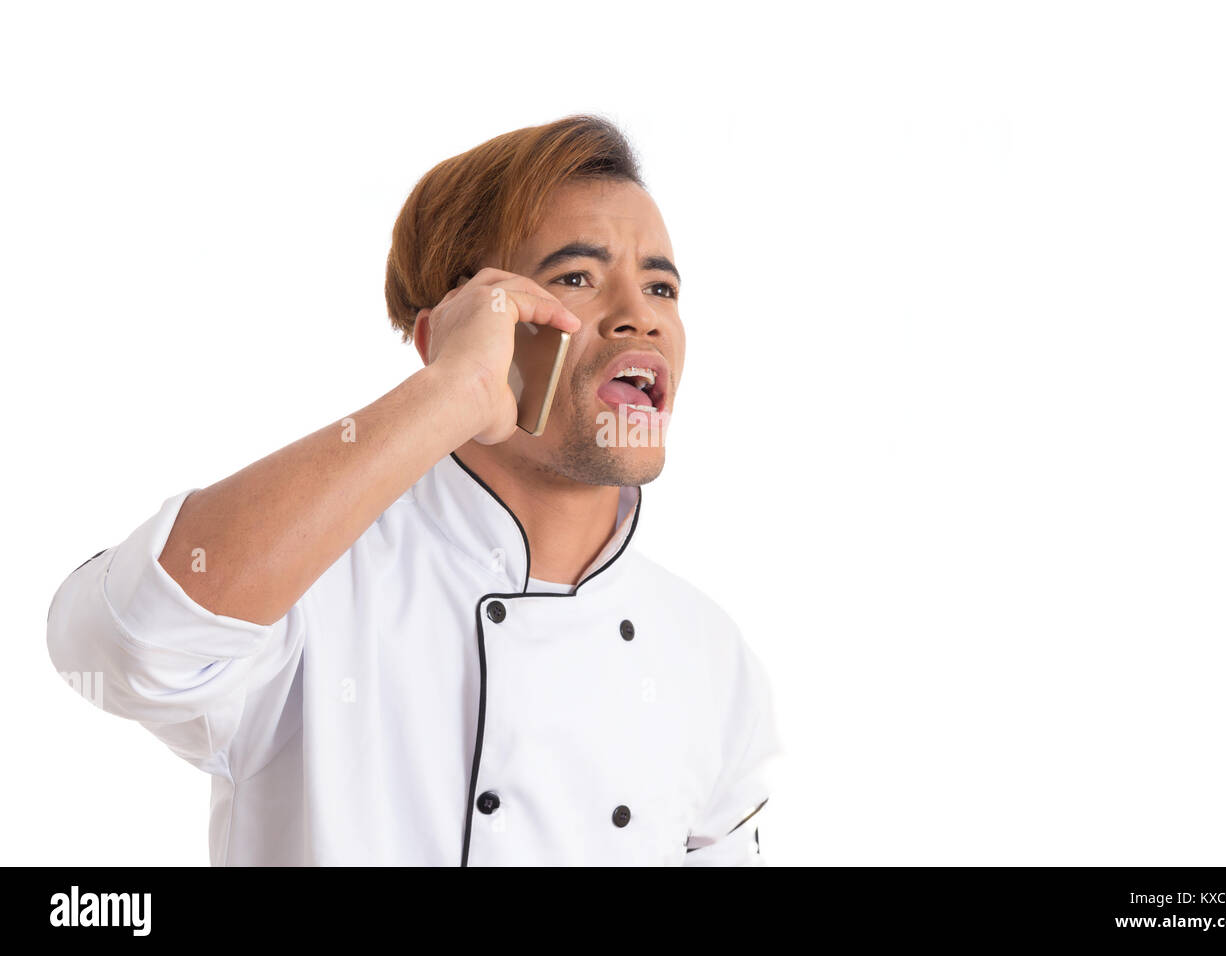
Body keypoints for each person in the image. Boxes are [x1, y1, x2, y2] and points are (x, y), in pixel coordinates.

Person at [46, 114, 783, 866]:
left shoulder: (710, 659)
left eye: (662, 286)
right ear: (462, 331)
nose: (641, 316)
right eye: (576, 278)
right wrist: (448, 393)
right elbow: (123, 644)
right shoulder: (314, 581)